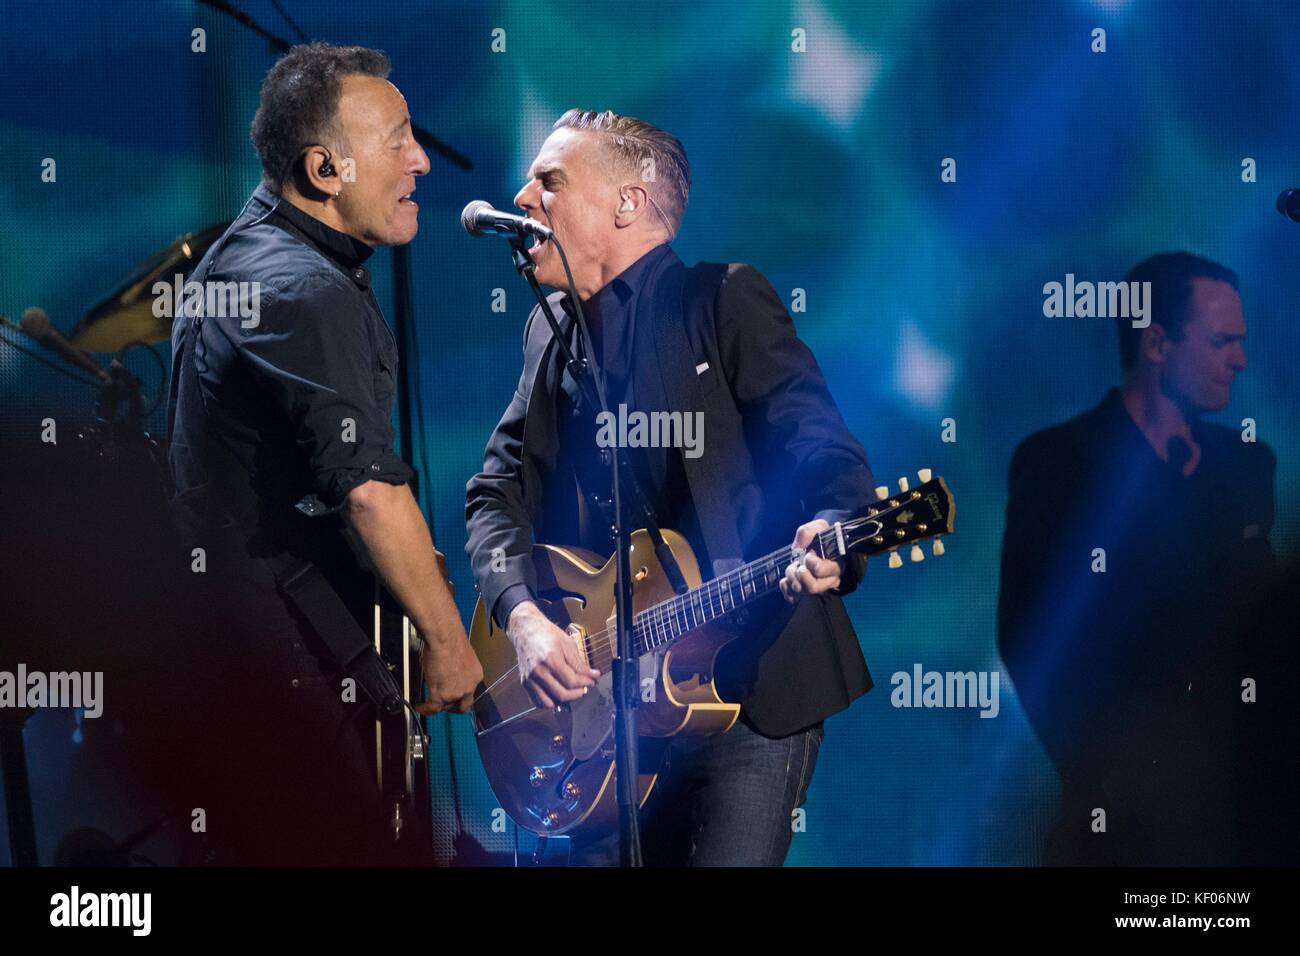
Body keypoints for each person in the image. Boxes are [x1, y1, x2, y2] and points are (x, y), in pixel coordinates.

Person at [465, 109, 876, 866]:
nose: (522, 198)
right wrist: (523, 618)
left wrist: (833, 525)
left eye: (550, 181)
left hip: (747, 690)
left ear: (627, 203)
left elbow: (817, 442)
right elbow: (495, 491)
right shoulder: (547, 332)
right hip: (608, 715)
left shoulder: (723, 300)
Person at [164, 43, 480, 864]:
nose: (420, 161)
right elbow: (370, 491)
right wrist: (448, 645)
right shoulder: (300, 290)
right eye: (399, 141)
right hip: (289, 671)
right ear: (324, 168)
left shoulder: (247, 257)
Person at [998, 252, 1281, 865]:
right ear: (1157, 343)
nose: (1241, 360)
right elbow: (1031, 635)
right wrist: (1104, 770)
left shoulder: (1250, 465)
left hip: (1241, 799)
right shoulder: (1060, 461)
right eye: (1221, 341)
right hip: (1120, 808)